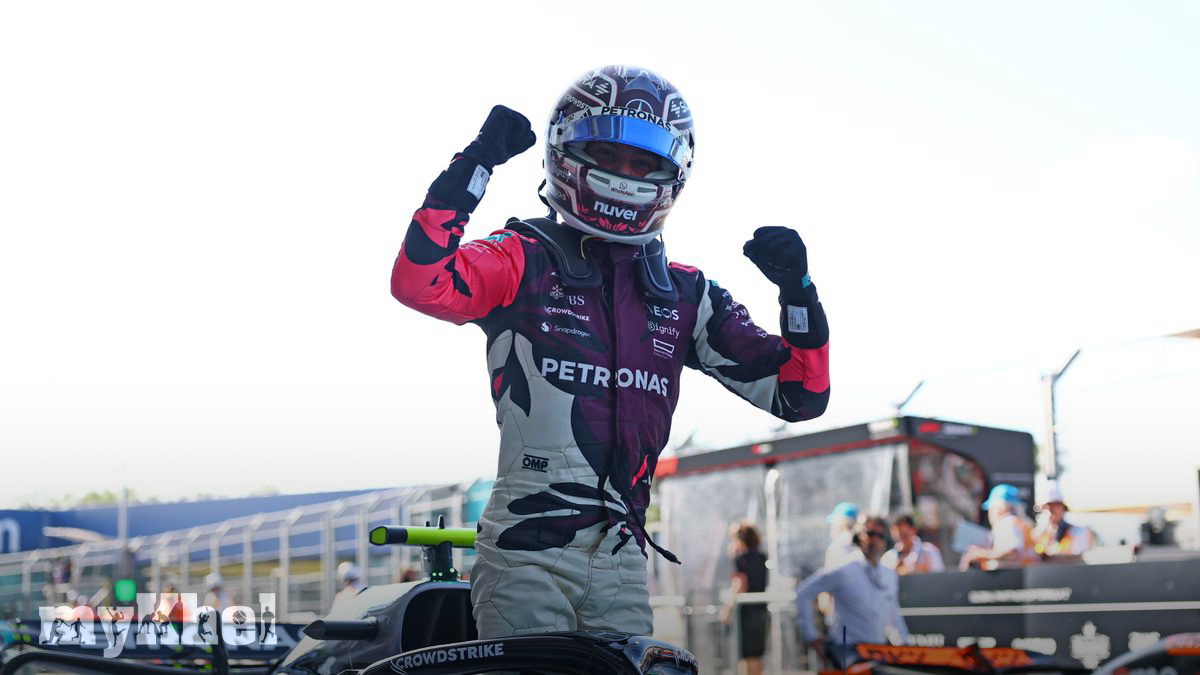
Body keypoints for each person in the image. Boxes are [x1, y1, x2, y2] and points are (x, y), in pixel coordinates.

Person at [390, 65, 832, 639]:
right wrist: (475, 163)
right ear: (566, 152)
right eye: (607, 153)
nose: (625, 174)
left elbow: (799, 397)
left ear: (672, 171)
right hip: (526, 547)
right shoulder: (523, 257)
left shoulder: (686, 294)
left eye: (642, 162)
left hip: (623, 555)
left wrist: (798, 295)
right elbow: (419, 282)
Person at [795, 516, 908, 668]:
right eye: (870, 533)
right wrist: (812, 637)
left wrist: (905, 645)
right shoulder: (843, 568)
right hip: (847, 650)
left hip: (877, 650)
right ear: (858, 536)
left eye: (880, 535)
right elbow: (803, 593)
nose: (874, 540)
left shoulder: (889, 574)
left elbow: (893, 612)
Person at [721, 523, 769, 675]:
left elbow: (740, 584)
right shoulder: (762, 557)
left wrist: (727, 609)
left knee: (747, 657)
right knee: (757, 656)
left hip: (747, 614)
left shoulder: (741, 559)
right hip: (760, 611)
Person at [959, 484, 1036, 570]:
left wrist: (980, 554)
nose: (989, 513)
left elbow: (1012, 554)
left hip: (1014, 576)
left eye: (991, 508)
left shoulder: (1007, 523)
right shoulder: (1021, 524)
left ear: (1001, 508)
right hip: (1024, 574)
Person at [1033, 481, 1094, 557]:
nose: (1051, 509)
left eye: (1056, 505)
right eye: (1048, 505)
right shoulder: (1038, 534)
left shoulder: (1077, 532)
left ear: (1063, 507)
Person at [824, 502, 860, 569]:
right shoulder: (859, 541)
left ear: (842, 522)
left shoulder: (840, 543)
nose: (832, 526)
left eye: (834, 522)